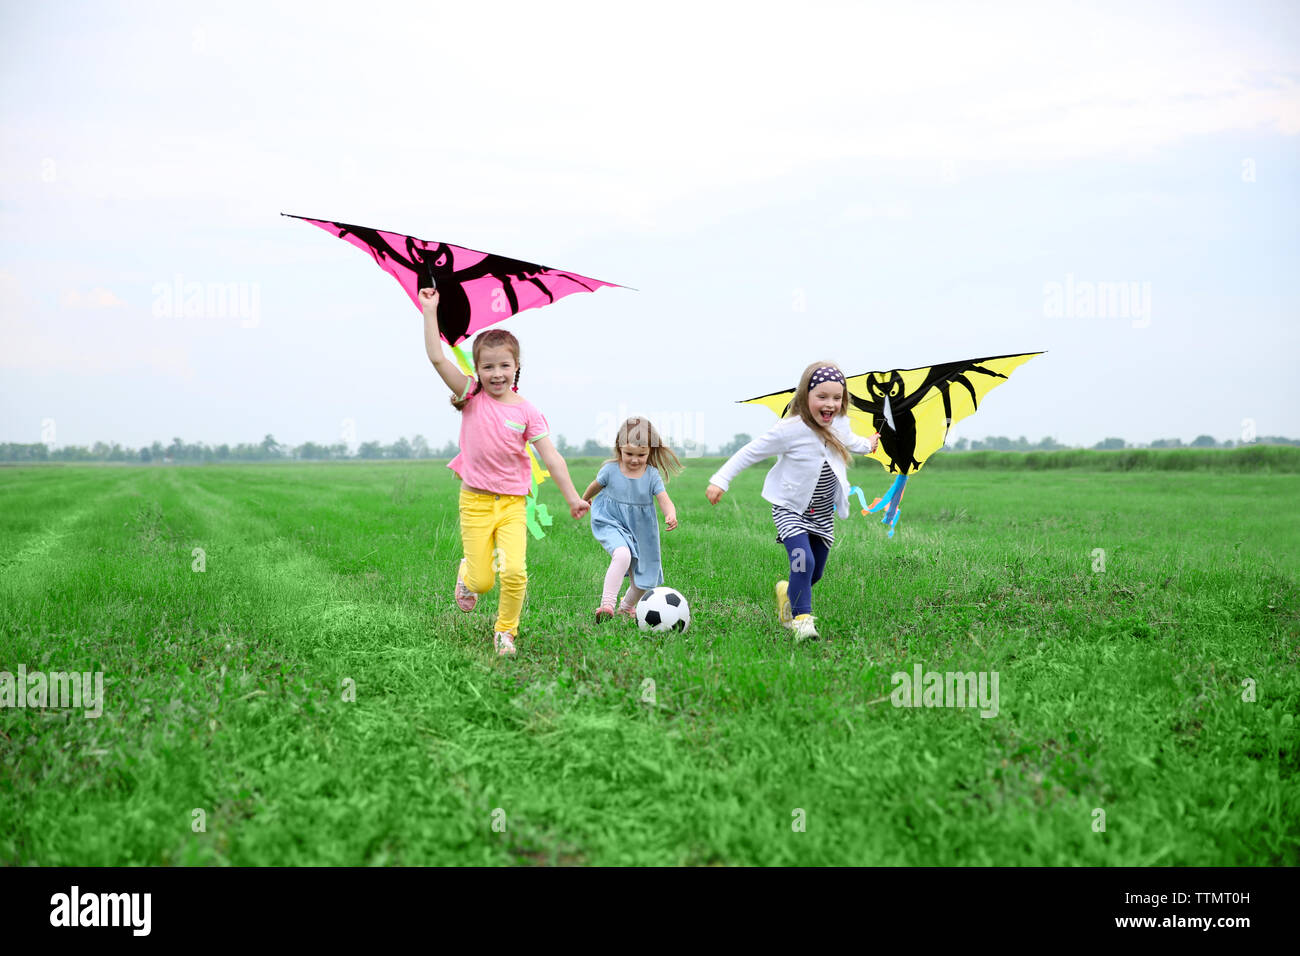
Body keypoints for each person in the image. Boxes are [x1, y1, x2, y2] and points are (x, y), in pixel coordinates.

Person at [420, 287, 589, 656]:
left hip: (513, 504)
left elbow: (552, 457)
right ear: (477, 370)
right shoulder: (470, 395)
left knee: (514, 572)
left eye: (503, 365)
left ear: (516, 367)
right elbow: (436, 357)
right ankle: (467, 573)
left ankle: (505, 632)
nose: (496, 374)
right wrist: (430, 309)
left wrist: (573, 497)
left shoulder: (527, 412)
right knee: (482, 582)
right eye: (488, 366)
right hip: (475, 503)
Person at [705, 362, 878, 642]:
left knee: (814, 572)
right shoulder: (790, 430)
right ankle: (802, 622)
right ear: (804, 396)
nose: (830, 404)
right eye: (822, 396)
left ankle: (788, 594)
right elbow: (750, 452)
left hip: (822, 515)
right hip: (790, 509)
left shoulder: (840, 425)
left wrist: (869, 444)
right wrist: (720, 480)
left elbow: (852, 442)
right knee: (803, 560)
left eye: (837, 398)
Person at [582, 417, 681, 621]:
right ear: (619, 448)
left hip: (642, 530)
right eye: (629, 454)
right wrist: (583, 500)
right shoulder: (610, 470)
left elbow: (664, 499)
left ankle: (626, 606)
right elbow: (595, 485)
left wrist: (670, 513)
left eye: (641, 455)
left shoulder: (652, 475)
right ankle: (606, 605)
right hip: (611, 521)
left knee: (645, 580)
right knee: (622, 554)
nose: (635, 460)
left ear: (650, 452)